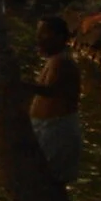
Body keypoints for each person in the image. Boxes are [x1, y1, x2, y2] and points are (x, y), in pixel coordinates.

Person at [28, 15, 82, 187]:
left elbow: (52, 91)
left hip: (56, 130)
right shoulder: (54, 60)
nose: (39, 39)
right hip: (48, 128)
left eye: (44, 35)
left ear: (58, 37)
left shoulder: (62, 62)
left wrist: (16, 84)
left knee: (47, 182)